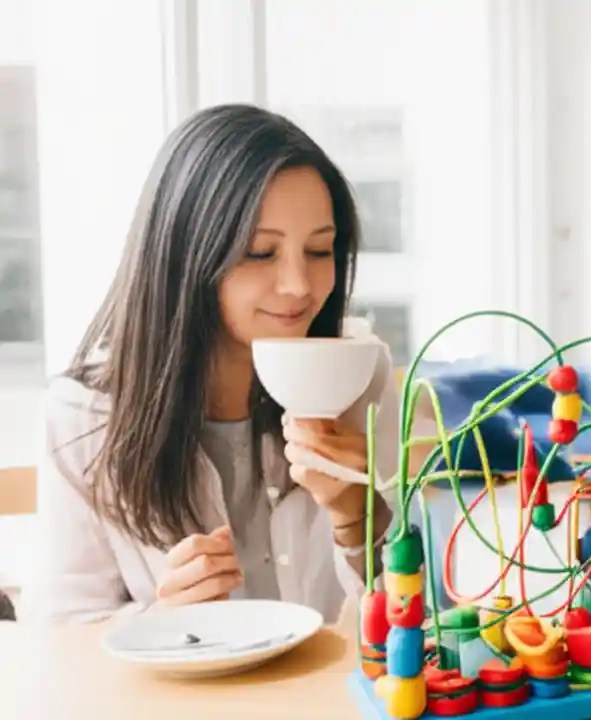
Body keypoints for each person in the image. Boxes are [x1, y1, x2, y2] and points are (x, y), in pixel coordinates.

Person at [27, 104, 429, 624]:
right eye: (261, 253)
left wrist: (359, 520)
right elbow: (59, 638)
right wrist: (163, 620)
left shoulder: (357, 375)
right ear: (186, 255)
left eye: (320, 250)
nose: (300, 286)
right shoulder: (82, 418)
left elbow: (425, 619)